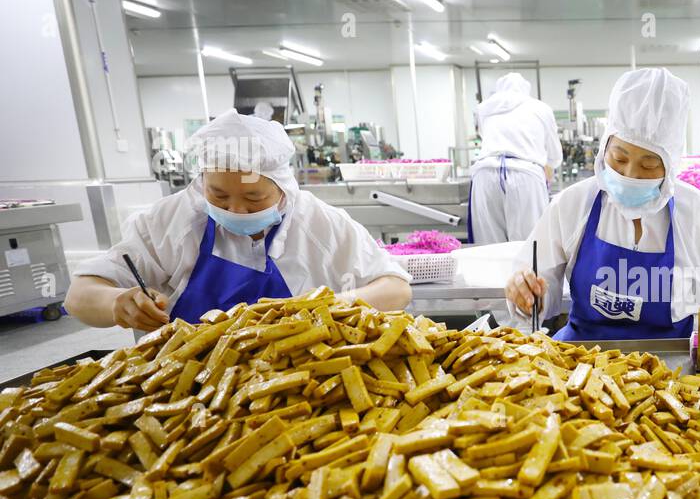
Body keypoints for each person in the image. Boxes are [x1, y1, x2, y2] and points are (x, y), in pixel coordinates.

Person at [67, 109, 411, 331]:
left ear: (283, 187)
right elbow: (80, 294)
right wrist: (117, 304)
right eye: (218, 196)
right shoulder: (171, 221)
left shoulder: (321, 224)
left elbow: (395, 288)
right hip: (189, 396)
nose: (236, 211)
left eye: (253, 198)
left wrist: (335, 305)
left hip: (303, 386)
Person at [506, 67, 700, 339]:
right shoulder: (574, 204)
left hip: (672, 366)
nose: (630, 174)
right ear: (605, 147)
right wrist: (525, 294)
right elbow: (537, 293)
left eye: (649, 164)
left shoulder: (693, 212)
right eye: (618, 158)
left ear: (670, 164)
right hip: (581, 362)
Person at [467, 73, 562, 244]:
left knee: (489, 248)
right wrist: (548, 165)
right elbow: (554, 156)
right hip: (525, 175)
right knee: (529, 247)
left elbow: (484, 137)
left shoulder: (484, 109)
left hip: (485, 174)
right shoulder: (541, 108)